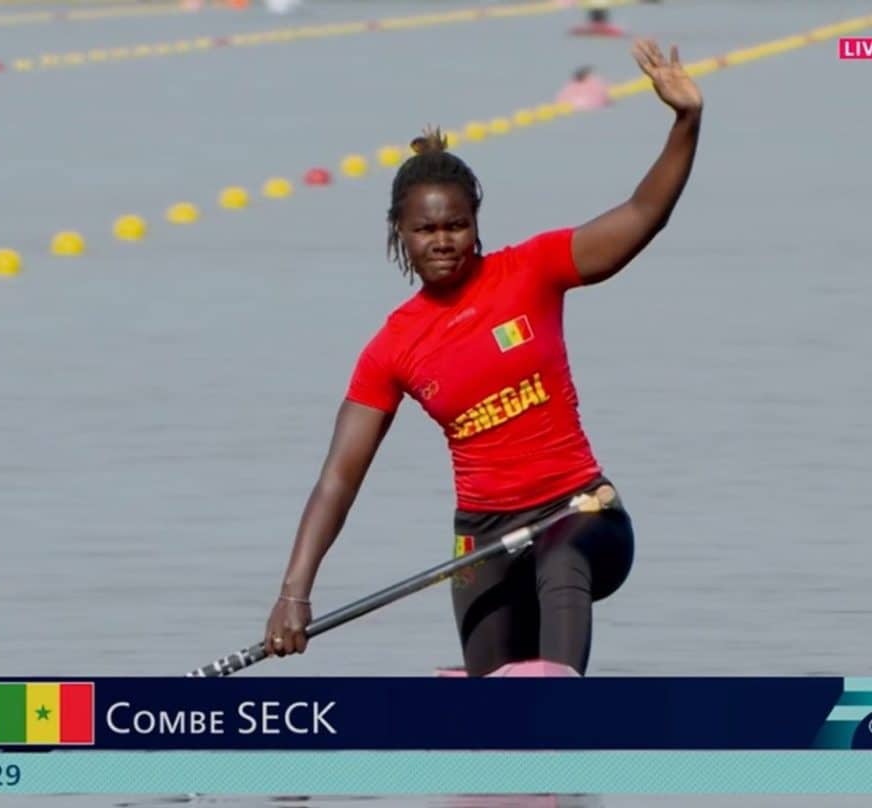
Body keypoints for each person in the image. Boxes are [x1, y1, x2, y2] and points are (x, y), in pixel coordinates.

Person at [263, 39, 703, 676]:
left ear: (475, 223)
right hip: (483, 541)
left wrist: (686, 122)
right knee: (490, 716)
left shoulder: (533, 271)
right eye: (425, 230)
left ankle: (561, 708)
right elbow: (338, 479)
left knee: (561, 559)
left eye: (456, 226)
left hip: (581, 517)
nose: (442, 242)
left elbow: (642, 215)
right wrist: (292, 594)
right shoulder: (393, 347)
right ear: (400, 234)